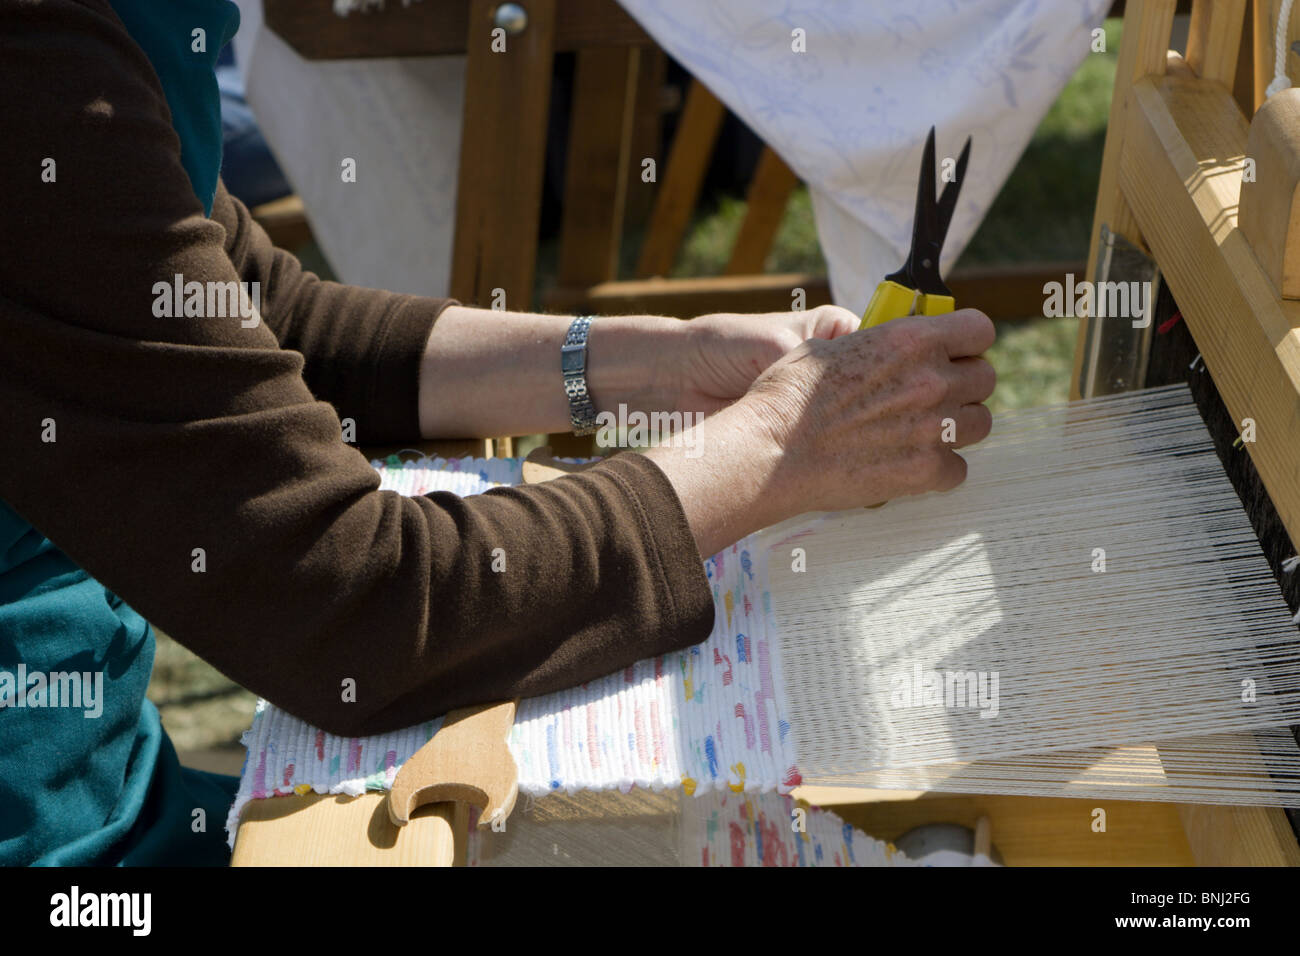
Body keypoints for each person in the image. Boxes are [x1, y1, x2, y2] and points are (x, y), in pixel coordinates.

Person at [0, 0, 995, 865]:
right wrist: (778, 446)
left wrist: (658, 359)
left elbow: (258, 312)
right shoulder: (37, 68)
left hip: (106, 784)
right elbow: (356, 599)